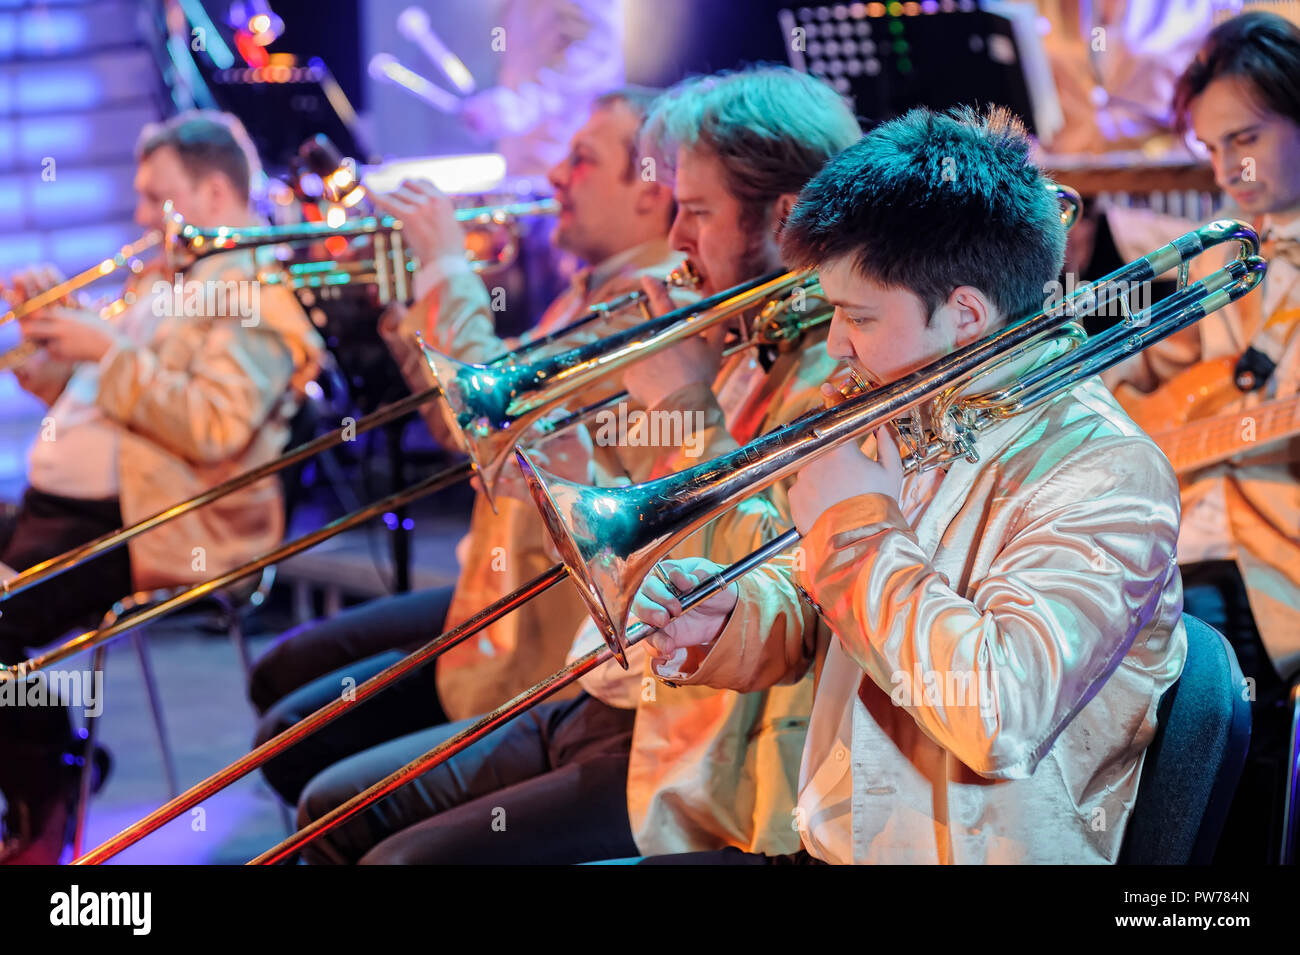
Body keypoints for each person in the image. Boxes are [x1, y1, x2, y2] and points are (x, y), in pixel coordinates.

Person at [292, 65, 863, 864]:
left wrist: (684, 410)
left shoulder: (836, 376)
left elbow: (764, 597)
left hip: (693, 740)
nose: (678, 240)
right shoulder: (731, 334)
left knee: (391, 856)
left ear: (786, 215)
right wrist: (588, 465)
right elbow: (511, 445)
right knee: (331, 807)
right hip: (597, 680)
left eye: (696, 212)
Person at [624, 104, 1187, 864]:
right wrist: (729, 620)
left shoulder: (1107, 471)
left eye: (857, 315)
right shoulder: (910, 403)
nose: (833, 344)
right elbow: (832, 626)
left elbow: (997, 713)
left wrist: (854, 527)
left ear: (963, 314)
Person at [247, 87, 683, 805]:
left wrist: (448, 268)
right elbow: (464, 422)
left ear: (650, 190)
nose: (553, 178)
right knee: (292, 684)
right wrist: (406, 298)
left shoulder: (646, 303)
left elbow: (500, 415)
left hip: (541, 634)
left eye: (582, 161)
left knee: (304, 742)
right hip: (496, 586)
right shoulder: (586, 292)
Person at [0, 111, 324, 864]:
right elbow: (97, 398)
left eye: (156, 197)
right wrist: (51, 333)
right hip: (69, 507)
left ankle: (44, 766)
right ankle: (45, 748)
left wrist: (104, 348)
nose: (141, 215)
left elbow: (213, 426)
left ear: (214, 193)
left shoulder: (254, 292)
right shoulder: (168, 280)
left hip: (154, 524)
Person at [1104, 10, 1300, 863]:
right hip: (1183, 550)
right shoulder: (1227, 257)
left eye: (1247, 137)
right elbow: (1135, 379)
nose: (1231, 168)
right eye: (1214, 147)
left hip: (1277, 568)